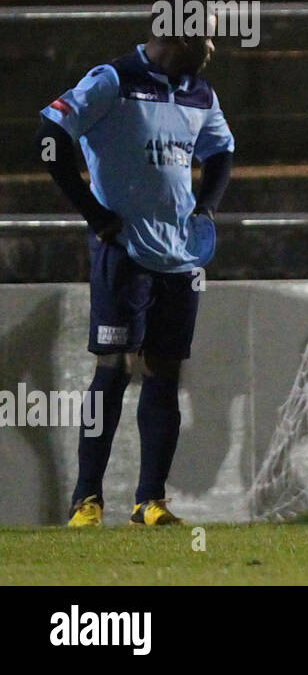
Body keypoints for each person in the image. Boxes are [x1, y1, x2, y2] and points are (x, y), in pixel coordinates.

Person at [40, 32, 234, 527]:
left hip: (180, 257)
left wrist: (205, 210)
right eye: (206, 37)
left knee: (164, 372)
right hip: (123, 252)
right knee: (114, 368)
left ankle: (150, 501)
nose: (212, 48)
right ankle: (86, 500)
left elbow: (221, 152)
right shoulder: (113, 80)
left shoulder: (199, 92)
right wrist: (92, 212)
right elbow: (50, 137)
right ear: (173, 35)